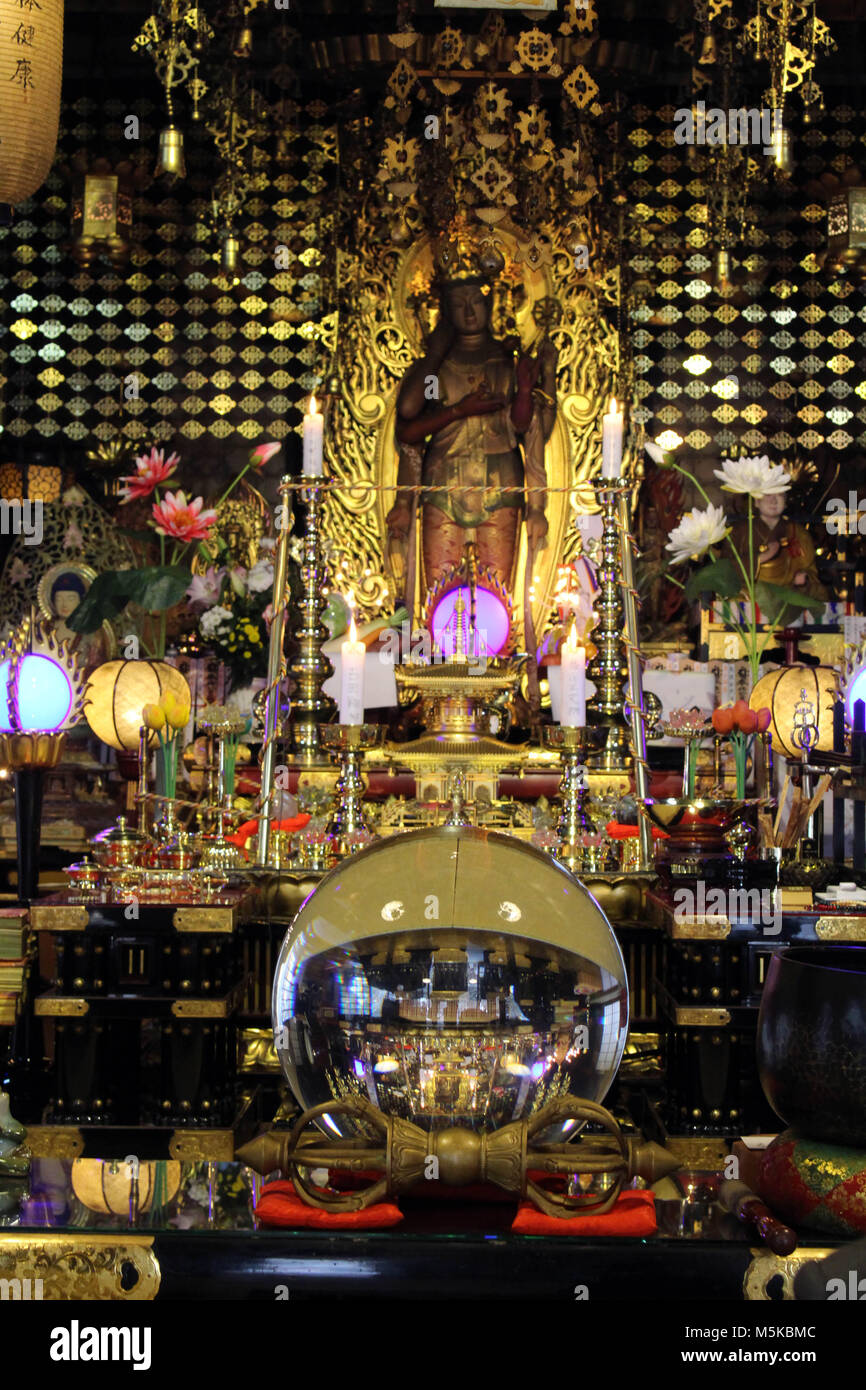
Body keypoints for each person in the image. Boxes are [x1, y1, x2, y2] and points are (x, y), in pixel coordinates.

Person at [386, 272, 557, 606]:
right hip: (442, 483)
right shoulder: (436, 370)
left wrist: (525, 389)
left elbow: (526, 427)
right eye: (458, 304)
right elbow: (413, 419)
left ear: (490, 303)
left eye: (475, 301)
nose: (468, 312)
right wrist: (457, 406)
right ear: (446, 311)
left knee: (496, 592)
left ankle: (497, 657)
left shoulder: (507, 362)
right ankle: (438, 658)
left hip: (501, 483)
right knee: (439, 590)